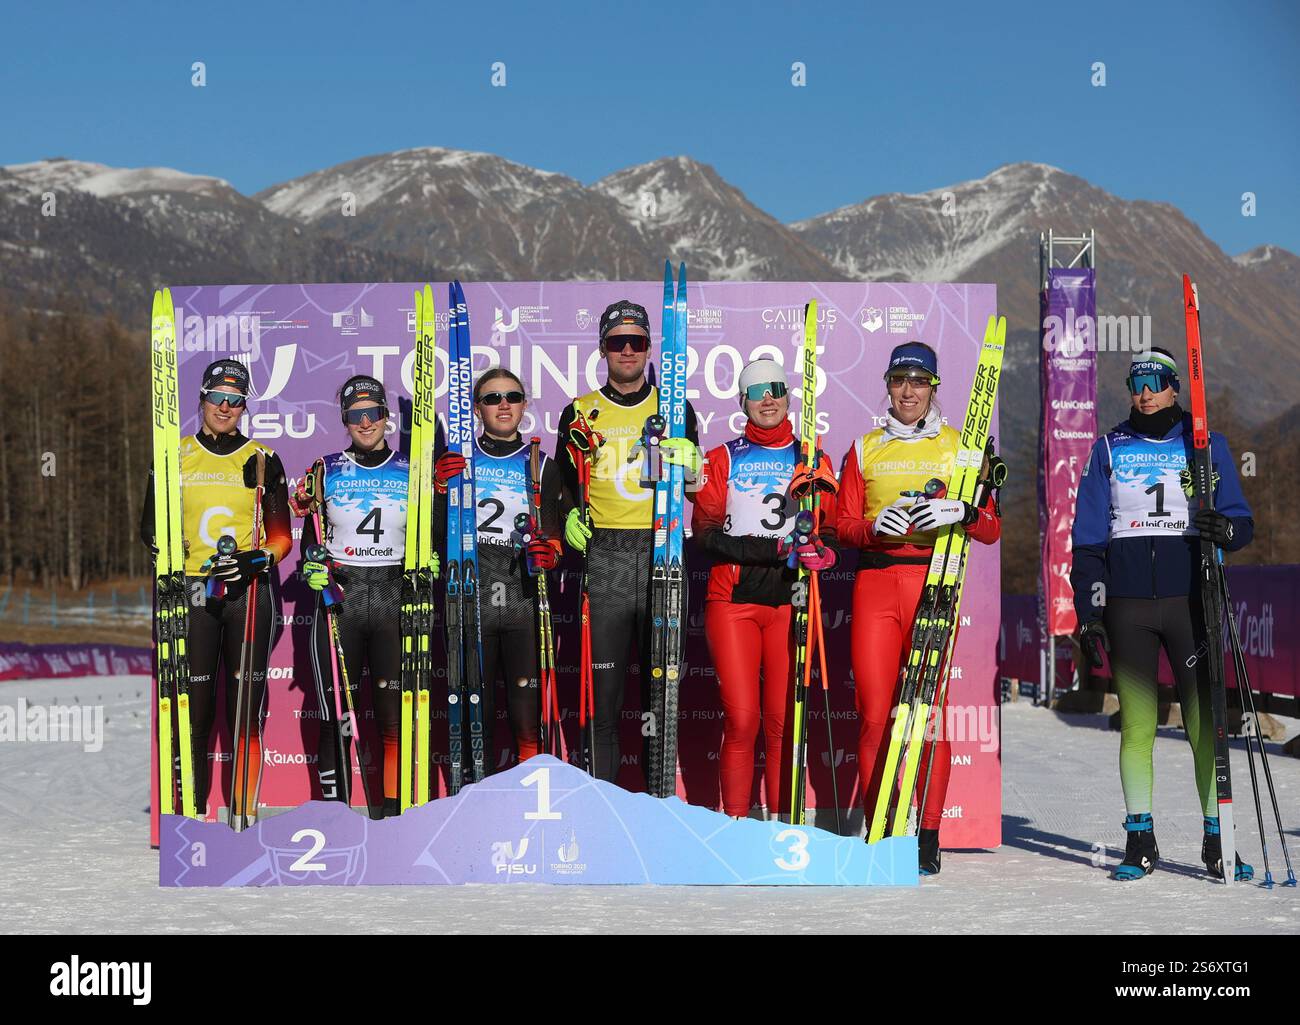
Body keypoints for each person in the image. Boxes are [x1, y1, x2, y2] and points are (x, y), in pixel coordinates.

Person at [1071, 347, 1255, 882]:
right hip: (1129, 606)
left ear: (1177, 387)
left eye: (1155, 380)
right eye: (1136, 381)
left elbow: (1240, 521)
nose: (1145, 391)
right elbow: (1087, 540)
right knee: (1137, 727)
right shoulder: (1108, 448)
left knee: (1205, 729)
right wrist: (1090, 608)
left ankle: (1218, 841)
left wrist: (1228, 531)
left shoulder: (1205, 447)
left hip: (1190, 601)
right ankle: (1140, 840)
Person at [836, 341, 1002, 874]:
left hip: (935, 582)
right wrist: (869, 529)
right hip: (876, 585)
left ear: (933, 387)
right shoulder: (864, 448)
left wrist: (966, 511)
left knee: (928, 715)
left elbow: (993, 529)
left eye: (918, 381)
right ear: (887, 385)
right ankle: (880, 827)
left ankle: (928, 833)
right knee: (874, 715)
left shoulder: (962, 447)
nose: (908, 391)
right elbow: (838, 525)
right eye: (899, 380)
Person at [554, 299, 701, 785]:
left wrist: (693, 466)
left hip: (662, 553)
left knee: (662, 697)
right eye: (618, 342)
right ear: (602, 349)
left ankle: (656, 809)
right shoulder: (578, 412)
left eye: (637, 342)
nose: (628, 351)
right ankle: (602, 811)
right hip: (608, 558)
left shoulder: (675, 409)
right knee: (604, 698)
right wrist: (568, 516)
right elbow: (563, 487)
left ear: (649, 348)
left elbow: (698, 486)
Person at [140, 359, 291, 822]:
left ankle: (241, 814)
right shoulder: (175, 455)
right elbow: (149, 527)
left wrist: (260, 556)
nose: (225, 408)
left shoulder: (262, 459)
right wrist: (166, 545)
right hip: (193, 592)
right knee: (196, 710)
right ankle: (189, 816)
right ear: (202, 399)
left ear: (244, 406)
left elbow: (282, 535)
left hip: (247, 594)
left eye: (235, 400)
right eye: (217, 398)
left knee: (245, 710)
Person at [692, 359, 838, 819]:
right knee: (742, 720)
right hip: (733, 601)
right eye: (757, 392)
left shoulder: (813, 459)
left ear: (788, 396)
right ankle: (735, 826)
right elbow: (705, 533)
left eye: (776, 388)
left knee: (780, 723)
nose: (768, 398)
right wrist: (772, 548)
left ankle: (779, 827)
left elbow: (829, 527)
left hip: (788, 602)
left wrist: (823, 550)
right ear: (743, 403)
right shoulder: (722, 457)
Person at [434, 368, 564, 769]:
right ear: (477, 409)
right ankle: (476, 803)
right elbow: (437, 533)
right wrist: (439, 490)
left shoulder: (542, 463)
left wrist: (550, 553)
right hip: (472, 597)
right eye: (492, 398)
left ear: (524, 405)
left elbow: (557, 538)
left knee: (526, 715)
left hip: (522, 596)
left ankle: (529, 798)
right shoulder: (459, 461)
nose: (503, 404)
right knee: (479, 714)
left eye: (512, 396)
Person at [291, 375, 408, 818]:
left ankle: (394, 813)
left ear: (385, 417)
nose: (365, 422)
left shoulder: (407, 469)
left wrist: (431, 556)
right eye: (356, 416)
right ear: (346, 420)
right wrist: (312, 568)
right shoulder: (327, 469)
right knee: (337, 711)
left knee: (392, 716)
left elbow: (432, 532)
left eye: (373, 413)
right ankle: (335, 815)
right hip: (343, 596)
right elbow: (310, 540)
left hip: (393, 593)